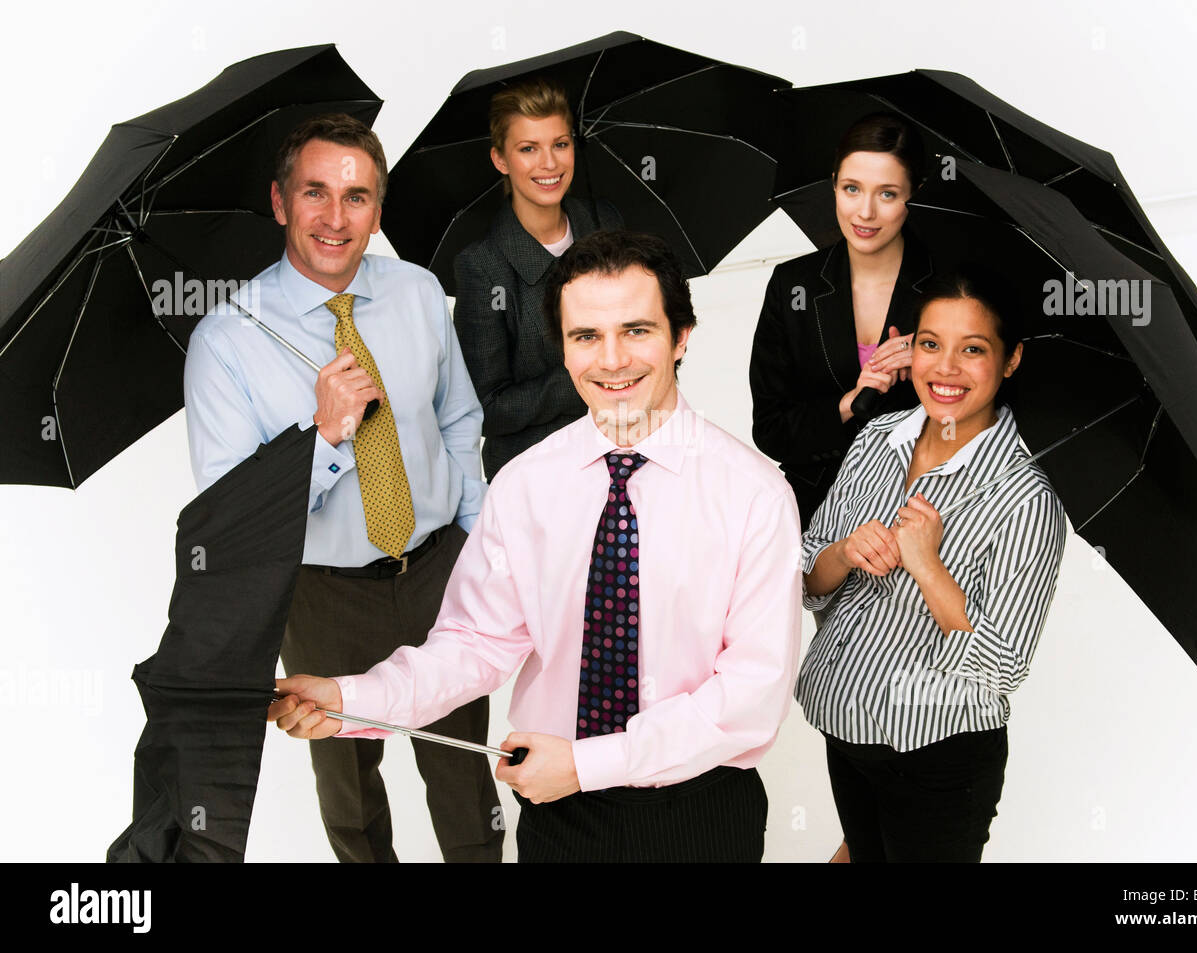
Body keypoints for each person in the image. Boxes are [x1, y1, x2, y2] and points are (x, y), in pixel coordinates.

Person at [269, 229, 804, 863]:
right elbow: (473, 645)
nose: (611, 360)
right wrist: (349, 700)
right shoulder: (527, 483)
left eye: (636, 330)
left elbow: (751, 694)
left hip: (698, 811)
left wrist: (588, 763)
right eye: (586, 337)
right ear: (563, 348)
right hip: (558, 812)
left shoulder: (755, 494)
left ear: (681, 335)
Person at [183, 114, 503, 863]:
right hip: (322, 595)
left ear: (378, 210)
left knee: (463, 770)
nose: (335, 217)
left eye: (356, 196)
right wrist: (324, 439)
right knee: (349, 788)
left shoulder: (418, 292)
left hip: (436, 571)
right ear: (279, 202)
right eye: (315, 193)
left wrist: (474, 539)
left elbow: (458, 418)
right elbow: (231, 521)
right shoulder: (227, 341)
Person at [797, 270, 1067, 863]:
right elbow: (805, 578)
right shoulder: (875, 439)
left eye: (973, 349)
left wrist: (929, 569)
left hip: (939, 754)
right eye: (929, 344)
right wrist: (842, 553)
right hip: (844, 731)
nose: (945, 368)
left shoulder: (1026, 498)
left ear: (1011, 360)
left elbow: (1004, 665)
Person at [750, 112, 934, 532]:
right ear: (834, 183)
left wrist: (933, 352)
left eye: (887, 194)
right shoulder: (792, 284)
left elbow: (987, 408)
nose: (864, 212)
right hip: (815, 513)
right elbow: (772, 428)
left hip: (923, 513)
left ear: (915, 195)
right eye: (852, 189)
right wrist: (849, 403)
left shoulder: (949, 288)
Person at [453, 76, 622, 481]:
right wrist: (586, 370)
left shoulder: (606, 221)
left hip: (625, 456)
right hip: (536, 477)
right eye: (528, 149)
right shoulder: (482, 266)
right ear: (500, 159)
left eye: (560, 144)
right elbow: (487, 409)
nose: (550, 164)